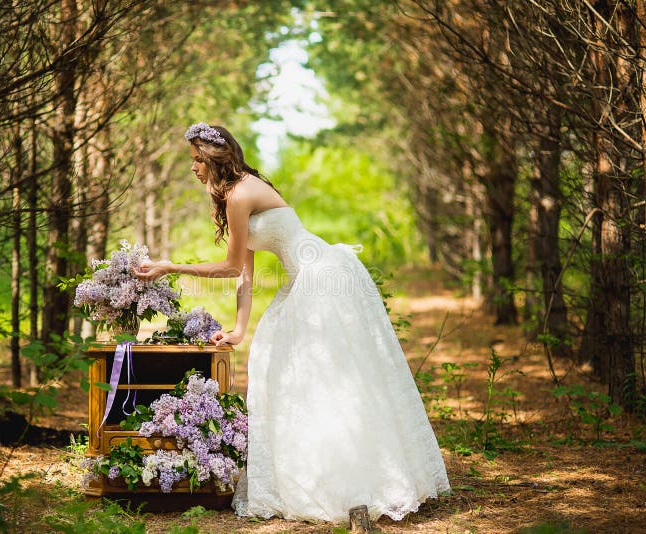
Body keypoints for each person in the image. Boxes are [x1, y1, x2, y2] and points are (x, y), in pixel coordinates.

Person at [136, 122, 450, 523]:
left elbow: (230, 265)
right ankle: (320, 474)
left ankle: (357, 483)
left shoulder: (240, 193)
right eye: (193, 160)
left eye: (198, 160)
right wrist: (238, 330)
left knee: (328, 377)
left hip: (322, 279)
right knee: (274, 358)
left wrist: (170, 266)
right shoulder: (236, 193)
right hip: (306, 278)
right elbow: (245, 274)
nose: (193, 168)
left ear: (216, 159)